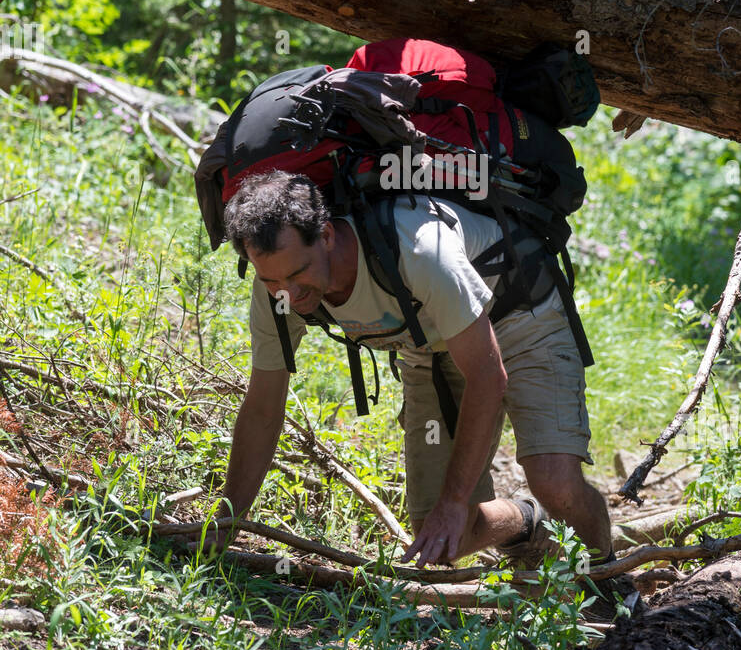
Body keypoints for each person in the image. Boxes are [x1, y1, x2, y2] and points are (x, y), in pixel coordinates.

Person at [210, 169, 634, 610]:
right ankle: (528, 524)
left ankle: (606, 580)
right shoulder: (278, 292)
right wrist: (226, 521)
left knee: (554, 482)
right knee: (442, 537)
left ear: (328, 235)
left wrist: (456, 500)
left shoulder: (419, 248)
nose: (288, 294)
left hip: (518, 315)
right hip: (429, 348)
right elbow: (262, 407)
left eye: (298, 274)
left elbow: (487, 377)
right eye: (270, 281)